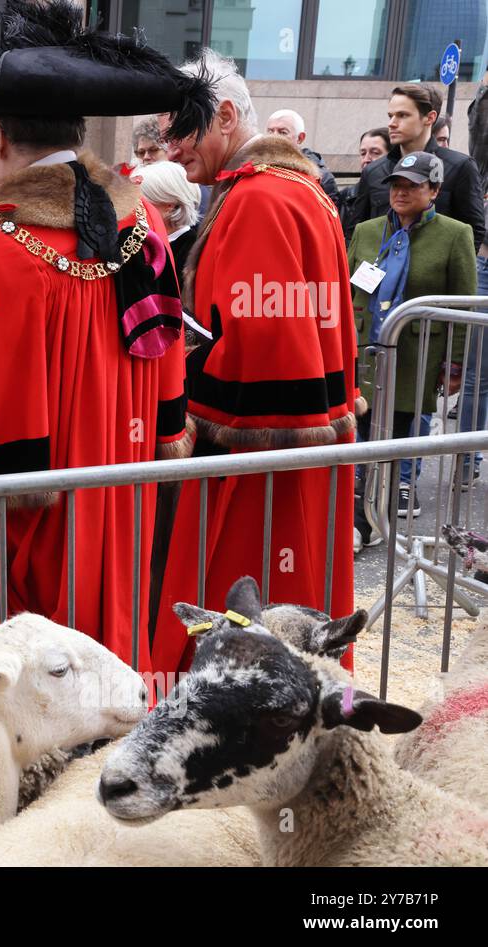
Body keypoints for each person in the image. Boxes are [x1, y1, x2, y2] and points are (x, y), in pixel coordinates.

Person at [0, 0, 198, 701]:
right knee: (101, 655)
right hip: (117, 493)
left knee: (23, 677)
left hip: (28, 520)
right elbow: (168, 362)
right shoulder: (141, 219)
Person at [154, 49, 357, 678]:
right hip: (298, 441)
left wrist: (183, 391)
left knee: (245, 612)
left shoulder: (258, 198)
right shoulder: (298, 190)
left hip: (257, 458)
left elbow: (266, 340)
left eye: (180, 132)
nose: (172, 151)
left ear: (222, 116)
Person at [350, 151, 476, 544]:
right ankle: (360, 516)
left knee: (394, 434)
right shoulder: (368, 231)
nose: (401, 193)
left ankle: (370, 518)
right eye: (397, 185)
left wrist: (455, 363)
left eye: (413, 186)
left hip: (416, 356)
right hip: (365, 349)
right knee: (361, 432)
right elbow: (349, 291)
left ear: (434, 191)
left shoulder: (455, 234)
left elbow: (463, 306)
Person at [346, 84, 484, 249]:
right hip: (381, 270)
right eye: (390, 115)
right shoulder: (373, 171)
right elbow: (355, 231)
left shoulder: (460, 167)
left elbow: (473, 231)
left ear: (430, 117)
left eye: (402, 115)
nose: (392, 123)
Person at [265, 108, 341, 207]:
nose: (274, 137)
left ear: (300, 138)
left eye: (282, 132)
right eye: (270, 131)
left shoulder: (321, 177)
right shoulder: (253, 167)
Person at [135, 160, 202, 272]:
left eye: (141, 202)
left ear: (169, 206)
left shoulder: (193, 252)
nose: (134, 209)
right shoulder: (139, 242)